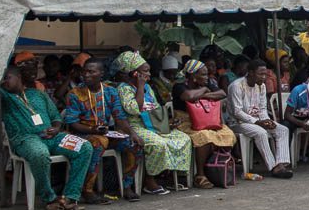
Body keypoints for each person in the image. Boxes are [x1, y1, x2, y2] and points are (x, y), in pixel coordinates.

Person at [0, 66, 93, 210]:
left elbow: (56, 117)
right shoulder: (3, 97)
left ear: (18, 77)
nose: (3, 81)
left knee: (84, 147)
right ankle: (49, 197)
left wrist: (56, 128)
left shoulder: (38, 94)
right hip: (25, 139)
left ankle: (70, 196)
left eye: (7, 77)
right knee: (39, 153)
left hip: (51, 136)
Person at [63, 58, 143, 204]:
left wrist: (132, 134)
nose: (86, 75)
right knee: (99, 142)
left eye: (91, 72)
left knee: (133, 144)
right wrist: (91, 130)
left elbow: (119, 118)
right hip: (83, 134)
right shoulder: (75, 93)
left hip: (103, 132)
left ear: (101, 74)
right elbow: (72, 123)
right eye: (84, 72)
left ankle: (126, 186)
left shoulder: (110, 91)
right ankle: (87, 190)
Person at [115, 51, 193, 195]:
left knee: (183, 139)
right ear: (134, 73)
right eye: (145, 71)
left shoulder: (148, 88)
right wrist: (139, 86)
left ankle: (170, 177)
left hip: (152, 125)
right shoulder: (124, 89)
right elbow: (133, 109)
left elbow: (155, 108)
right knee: (158, 143)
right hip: (135, 126)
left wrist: (167, 122)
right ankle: (149, 181)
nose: (149, 74)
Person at [172, 59, 237, 189]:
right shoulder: (179, 86)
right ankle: (200, 175)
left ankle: (216, 169)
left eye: (206, 74)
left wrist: (203, 93)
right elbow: (188, 96)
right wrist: (205, 90)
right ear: (193, 76)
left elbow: (222, 93)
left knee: (228, 134)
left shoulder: (207, 84)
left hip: (207, 119)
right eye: (203, 75)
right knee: (204, 137)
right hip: (187, 122)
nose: (206, 77)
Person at [226, 60, 294, 178]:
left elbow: (262, 108)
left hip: (257, 121)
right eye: (260, 74)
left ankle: (281, 163)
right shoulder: (236, 86)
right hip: (237, 122)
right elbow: (237, 112)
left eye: (265, 75)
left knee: (282, 130)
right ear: (251, 73)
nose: (263, 78)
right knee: (261, 132)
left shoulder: (261, 86)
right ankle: (273, 167)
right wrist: (258, 122)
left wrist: (267, 121)